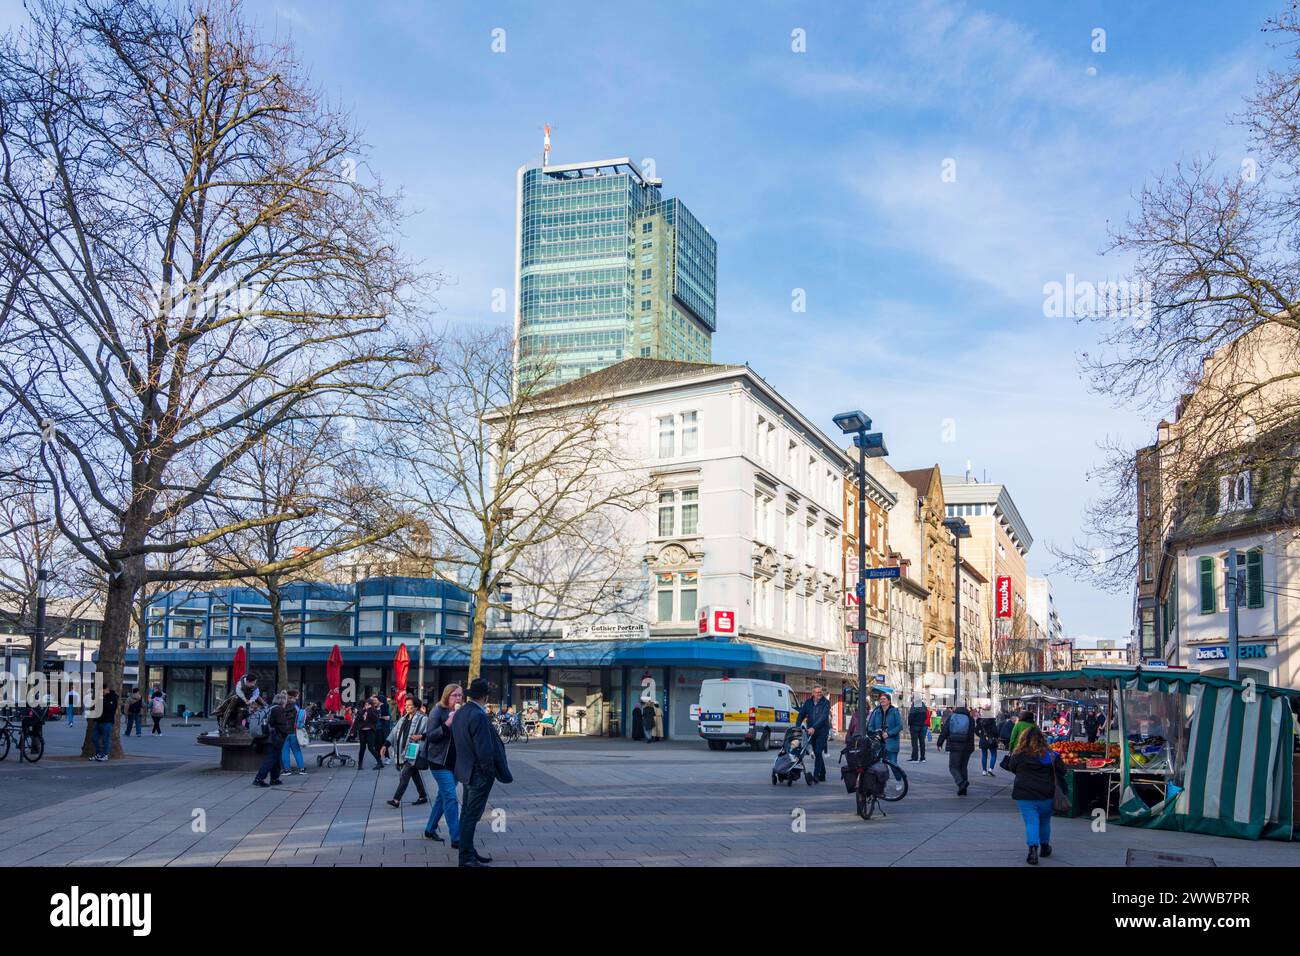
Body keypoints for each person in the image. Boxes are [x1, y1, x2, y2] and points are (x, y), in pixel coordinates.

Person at [451, 678, 513, 867]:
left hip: (465, 770)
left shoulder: (461, 712)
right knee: (472, 815)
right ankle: (466, 858)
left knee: (467, 814)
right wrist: (488, 772)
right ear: (485, 697)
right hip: (478, 773)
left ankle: (467, 851)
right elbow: (485, 750)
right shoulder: (478, 716)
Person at [1003, 724, 1066, 864]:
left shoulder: (1018, 755)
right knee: (1045, 821)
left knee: (1031, 822)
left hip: (1025, 794)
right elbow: (1063, 771)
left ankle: (1032, 851)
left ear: (1023, 739)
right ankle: (1044, 847)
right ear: (1042, 739)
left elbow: (1012, 768)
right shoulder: (1051, 755)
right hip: (1047, 793)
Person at [421, 683, 463, 845]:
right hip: (439, 761)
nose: (458, 698)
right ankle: (457, 838)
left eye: (460, 695)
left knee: (442, 797)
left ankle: (430, 829)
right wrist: (448, 723)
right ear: (447, 696)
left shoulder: (461, 711)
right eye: (454, 695)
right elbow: (430, 736)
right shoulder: (437, 710)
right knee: (451, 797)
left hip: (456, 762)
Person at [386, 697, 429, 807]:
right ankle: (423, 796)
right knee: (414, 774)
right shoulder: (403, 719)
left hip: (413, 750)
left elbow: (430, 733)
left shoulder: (423, 719)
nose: (406, 707)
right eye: (405, 705)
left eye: (409, 705)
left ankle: (396, 800)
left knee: (404, 774)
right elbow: (394, 732)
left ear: (416, 707)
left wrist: (420, 736)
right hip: (402, 751)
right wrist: (385, 745)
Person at [253, 692, 293, 787]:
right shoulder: (279, 710)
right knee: (271, 759)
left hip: (267, 737)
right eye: (286, 701)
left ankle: (274, 778)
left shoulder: (270, 708)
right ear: (283, 701)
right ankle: (259, 778)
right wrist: (285, 733)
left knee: (276, 758)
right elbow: (282, 725)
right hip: (274, 738)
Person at [795, 684, 832, 781]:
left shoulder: (826, 703)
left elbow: (823, 717)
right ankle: (823, 773)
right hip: (811, 731)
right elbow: (801, 714)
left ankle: (816, 775)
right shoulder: (808, 702)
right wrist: (797, 726)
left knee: (818, 751)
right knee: (817, 753)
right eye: (817, 692)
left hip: (822, 731)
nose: (819, 694)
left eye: (820, 692)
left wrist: (814, 727)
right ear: (813, 693)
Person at [938, 702, 976, 795]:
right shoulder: (970, 719)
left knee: (953, 767)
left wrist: (939, 743)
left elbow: (945, 731)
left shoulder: (952, 717)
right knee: (963, 767)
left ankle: (961, 783)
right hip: (967, 747)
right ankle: (963, 790)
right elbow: (971, 734)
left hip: (955, 745)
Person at [864, 693, 903, 778]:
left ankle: (899, 780)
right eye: (881, 699)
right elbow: (870, 725)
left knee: (893, 764)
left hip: (892, 742)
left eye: (884, 699)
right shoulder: (876, 712)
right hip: (878, 743)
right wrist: (875, 734)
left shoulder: (895, 711)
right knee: (879, 765)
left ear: (889, 701)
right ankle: (881, 783)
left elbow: (899, 726)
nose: (882, 700)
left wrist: (888, 734)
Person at [282, 689, 307, 776]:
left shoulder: (283, 706)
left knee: (285, 751)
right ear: (294, 696)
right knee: (297, 751)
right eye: (298, 695)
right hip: (294, 732)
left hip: (284, 732)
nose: (298, 696)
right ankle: (302, 769)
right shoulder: (296, 707)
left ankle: (287, 770)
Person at [354, 697, 384, 770]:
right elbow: (357, 720)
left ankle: (379, 762)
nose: (366, 705)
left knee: (371, 748)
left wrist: (369, 710)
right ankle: (360, 764)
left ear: (371, 705)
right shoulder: (361, 711)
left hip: (370, 731)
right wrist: (363, 711)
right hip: (362, 731)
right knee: (362, 748)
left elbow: (375, 719)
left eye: (368, 704)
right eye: (365, 704)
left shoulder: (374, 711)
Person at [91, 686, 118, 762]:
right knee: (94, 738)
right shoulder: (100, 697)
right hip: (98, 721)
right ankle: (98, 754)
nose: (102, 693)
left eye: (103, 691)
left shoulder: (113, 698)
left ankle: (105, 755)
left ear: (107, 690)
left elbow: (110, 708)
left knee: (105, 739)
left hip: (107, 721)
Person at [976, 707, 1000, 776]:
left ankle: (984, 771)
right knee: (993, 754)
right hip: (991, 739)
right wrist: (997, 737)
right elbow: (995, 731)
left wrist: (980, 736)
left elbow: (976, 730)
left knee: (984, 755)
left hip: (983, 739)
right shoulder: (992, 721)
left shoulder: (980, 721)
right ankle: (990, 769)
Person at [907, 696, 928, 762]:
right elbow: (925, 716)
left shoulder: (914, 706)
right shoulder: (923, 705)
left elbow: (911, 716)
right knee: (922, 742)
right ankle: (923, 758)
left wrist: (910, 724)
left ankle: (915, 758)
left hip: (914, 726)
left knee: (914, 743)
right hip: (922, 726)